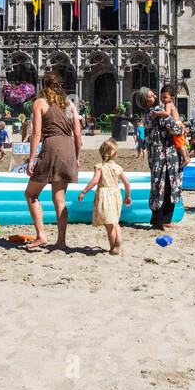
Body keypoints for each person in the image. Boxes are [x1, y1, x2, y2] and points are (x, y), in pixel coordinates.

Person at [23, 71, 82, 251]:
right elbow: (78, 135)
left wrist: (31, 159)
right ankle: (61, 241)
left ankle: (41, 235)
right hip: (68, 148)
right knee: (60, 199)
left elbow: (36, 133)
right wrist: (77, 158)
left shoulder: (39, 103)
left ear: (44, 86)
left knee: (31, 194)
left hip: (51, 146)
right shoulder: (69, 105)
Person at [139, 85, 185, 231]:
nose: (154, 97)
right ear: (145, 101)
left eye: (154, 95)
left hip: (154, 155)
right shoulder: (159, 112)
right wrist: (168, 116)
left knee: (157, 184)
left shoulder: (145, 114)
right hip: (166, 154)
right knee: (167, 185)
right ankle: (160, 220)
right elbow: (177, 130)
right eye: (151, 96)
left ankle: (161, 220)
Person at [79, 138, 132, 255]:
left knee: (109, 225)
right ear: (115, 154)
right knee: (115, 221)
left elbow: (94, 181)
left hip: (104, 195)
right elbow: (127, 183)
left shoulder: (100, 167)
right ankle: (118, 240)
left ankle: (114, 246)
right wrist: (127, 196)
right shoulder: (118, 168)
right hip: (116, 195)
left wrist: (84, 192)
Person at [149, 88, 189, 167]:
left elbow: (167, 113)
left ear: (172, 98)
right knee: (182, 143)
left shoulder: (168, 104)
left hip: (176, 126)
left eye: (165, 97)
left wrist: (157, 113)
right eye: (161, 97)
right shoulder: (170, 104)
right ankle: (186, 157)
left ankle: (186, 158)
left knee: (180, 144)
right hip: (179, 124)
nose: (163, 99)